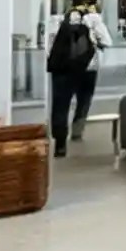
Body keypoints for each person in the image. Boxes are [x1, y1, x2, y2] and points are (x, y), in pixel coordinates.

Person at [46, 9, 94, 157]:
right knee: (83, 102)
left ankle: (60, 144)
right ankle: (77, 131)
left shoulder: (57, 27)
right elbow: (94, 47)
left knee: (60, 107)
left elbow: (50, 51)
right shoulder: (86, 27)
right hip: (82, 72)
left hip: (61, 73)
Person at [73, 6, 112, 142]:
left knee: (64, 100)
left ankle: (58, 133)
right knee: (84, 100)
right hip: (89, 67)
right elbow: (107, 42)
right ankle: (77, 130)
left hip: (71, 67)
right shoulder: (95, 21)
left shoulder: (69, 20)